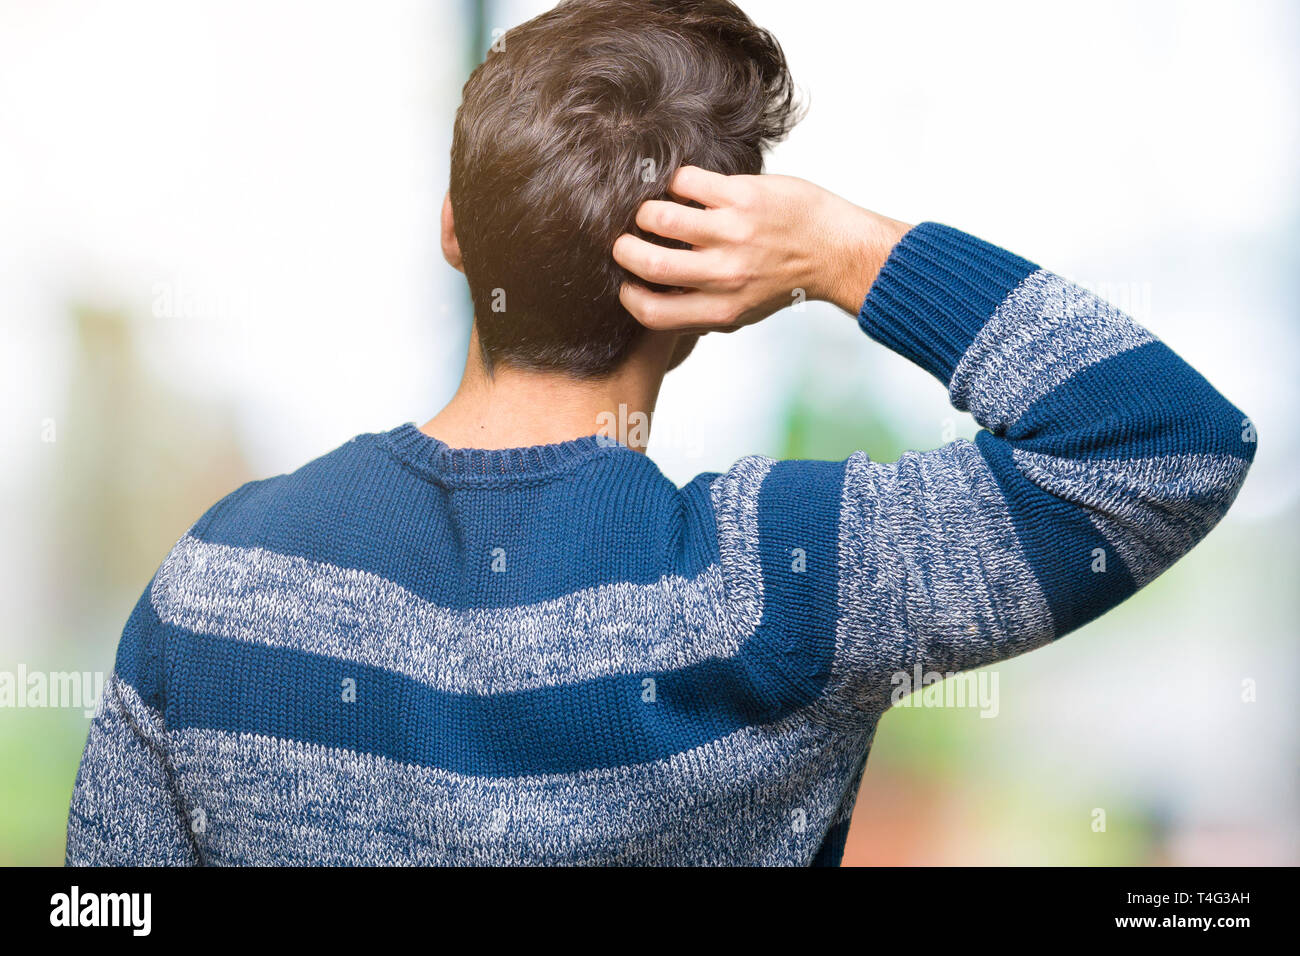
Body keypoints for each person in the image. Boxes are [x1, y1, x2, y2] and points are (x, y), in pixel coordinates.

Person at [66, 0, 1254, 866]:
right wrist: (844, 252)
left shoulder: (217, 580)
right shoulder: (786, 583)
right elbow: (1164, 444)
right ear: (710, 290)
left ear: (450, 231)